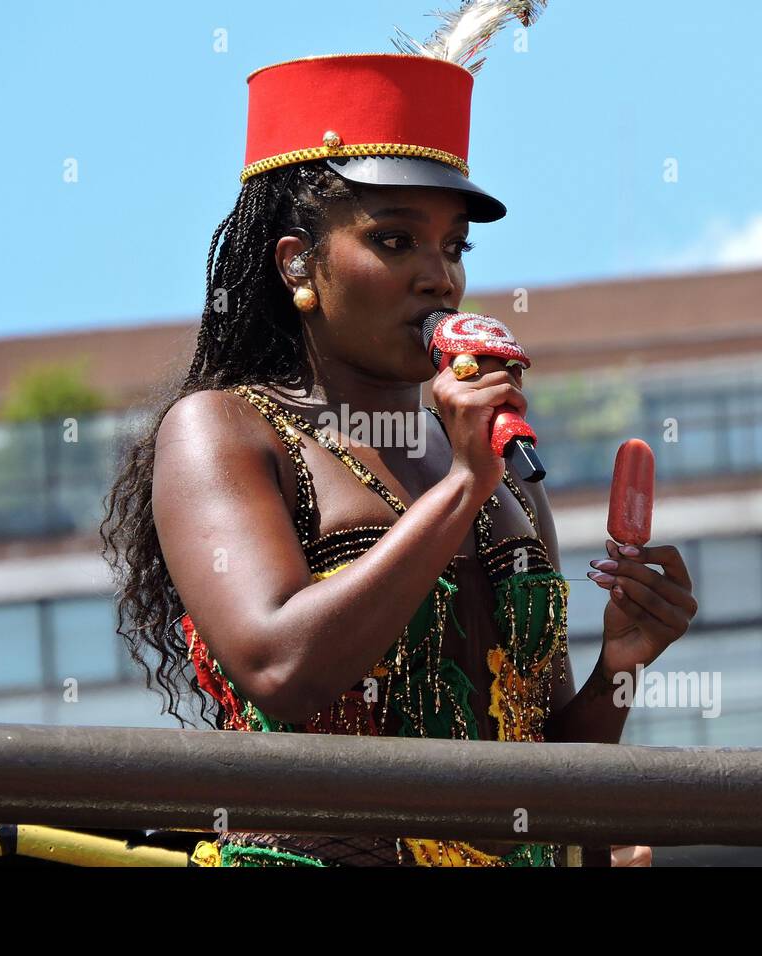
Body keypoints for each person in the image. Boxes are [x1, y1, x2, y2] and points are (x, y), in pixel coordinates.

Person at [102, 37, 697, 867]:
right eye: (394, 240)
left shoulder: (498, 469)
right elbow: (282, 667)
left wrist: (621, 667)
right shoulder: (223, 430)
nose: (438, 277)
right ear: (298, 264)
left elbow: (554, 777)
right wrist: (459, 488)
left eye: (454, 247)